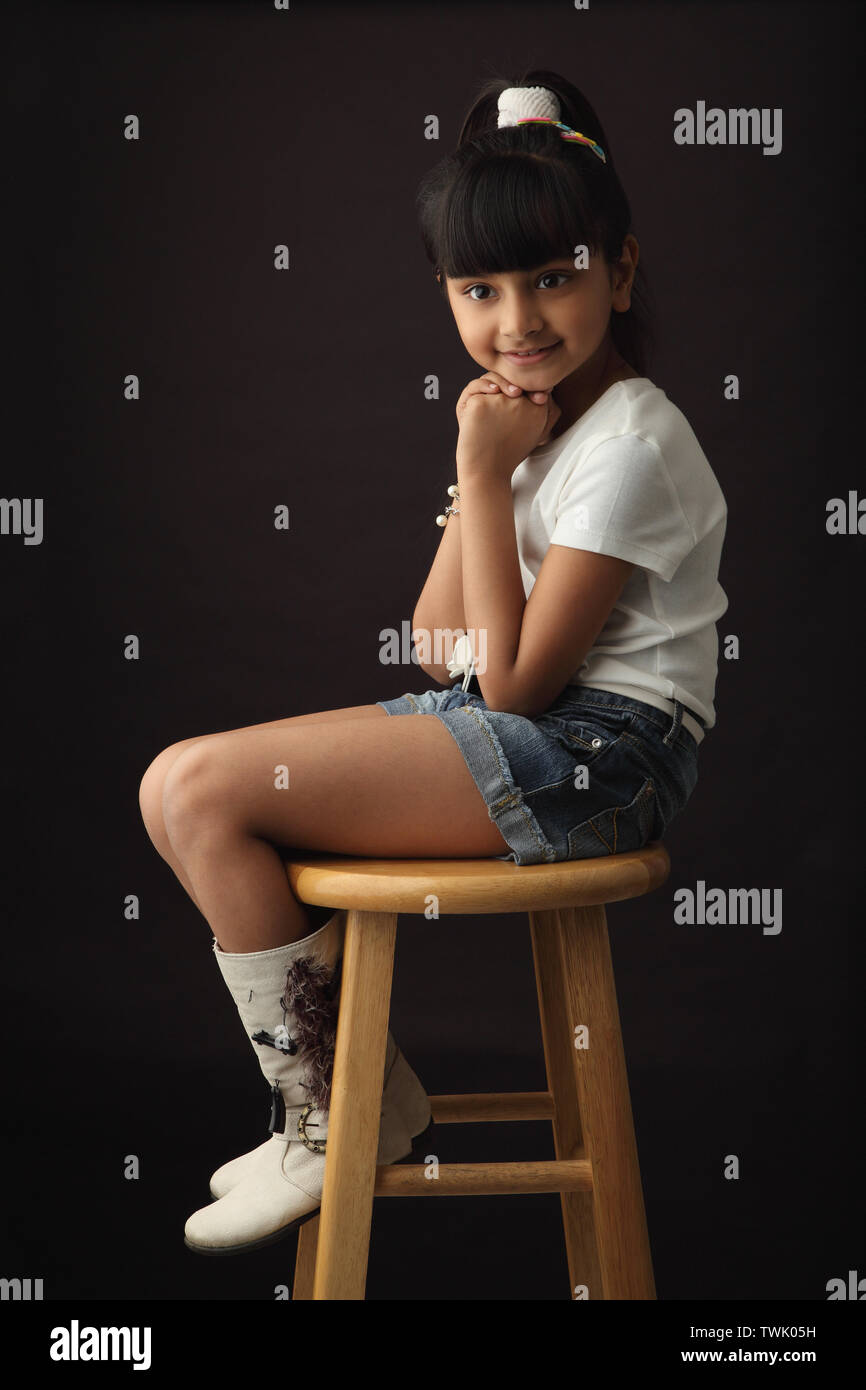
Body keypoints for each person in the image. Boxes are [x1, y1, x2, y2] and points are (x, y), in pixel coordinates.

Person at [138, 68, 728, 1256]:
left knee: (198, 791)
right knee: (174, 786)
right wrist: (492, 467)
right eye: (479, 289)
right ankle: (352, 1103)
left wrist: (477, 473)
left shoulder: (632, 440)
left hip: (600, 755)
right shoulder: (533, 424)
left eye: (552, 277)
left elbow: (512, 687)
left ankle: (329, 1123)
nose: (516, 321)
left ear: (618, 271)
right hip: (526, 722)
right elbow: (439, 640)